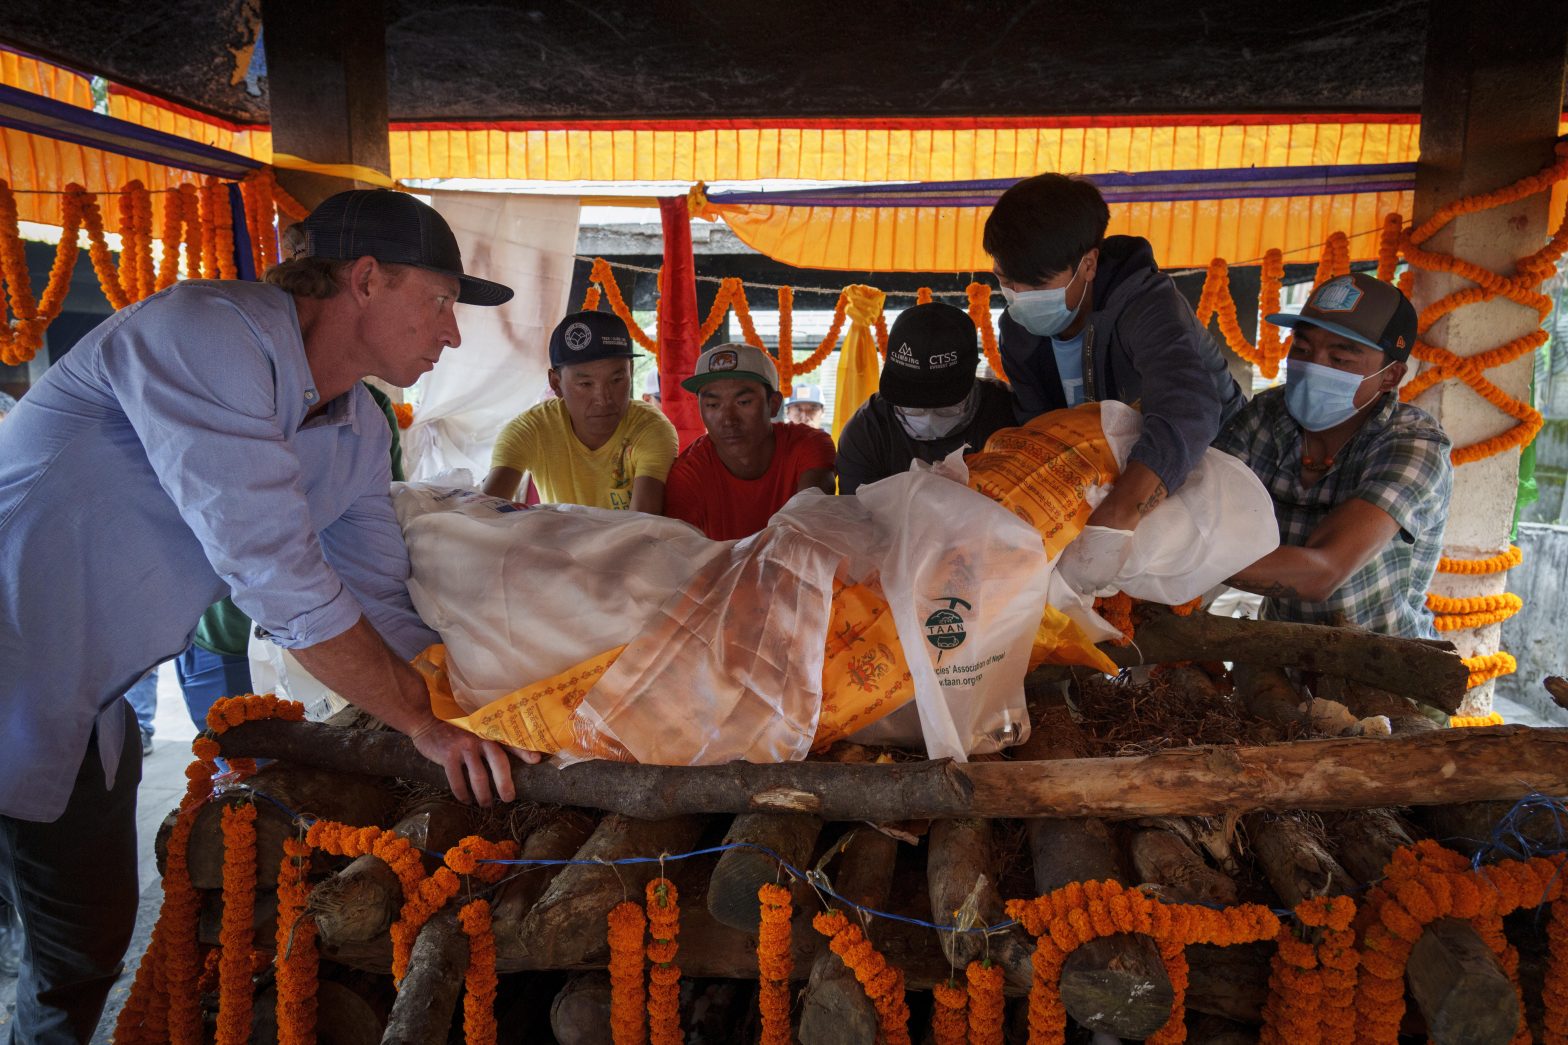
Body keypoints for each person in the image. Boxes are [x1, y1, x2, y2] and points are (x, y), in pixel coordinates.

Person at [0, 188, 527, 1044]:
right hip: (10, 657)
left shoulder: (359, 423)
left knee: (80, 957)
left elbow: (377, 598)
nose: (451, 332)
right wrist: (425, 724)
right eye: (439, 301)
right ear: (365, 278)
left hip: (85, 707)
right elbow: (281, 578)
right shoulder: (209, 334)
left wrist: (486, 702)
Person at [984, 173, 1245, 592]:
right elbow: (1041, 432)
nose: (1016, 296)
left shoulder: (1147, 304)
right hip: (1103, 487)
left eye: (1034, 284)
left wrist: (1120, 515)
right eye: (1004, 280)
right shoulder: (1018, 332)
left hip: (1207, 477)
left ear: (1088, 264)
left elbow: (1188, 408)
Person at [1214, 272, 1452, 637]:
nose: (1313, 368)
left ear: (1391, 377)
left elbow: (1321, 574)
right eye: (1303, 350)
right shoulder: (1265, 417)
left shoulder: (1413, 444)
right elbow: (1201, 506)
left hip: (1383, 666)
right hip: (1277, 654)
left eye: (1340, 359)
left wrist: (1170, 559)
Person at [481, 311, 677, 512]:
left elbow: (644, 527)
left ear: (631, 372)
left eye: (617, 380)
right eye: (585, 384)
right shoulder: (530, 430)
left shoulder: (651, 429)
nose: (603, 399)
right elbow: (483, 515)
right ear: (556, 384)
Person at [835, 303, 1017, 495]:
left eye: (946, 407)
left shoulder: (1008, 415)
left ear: (973, 378)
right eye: (911, 407)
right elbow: (855, 512)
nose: (928, 418)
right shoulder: (867, 432)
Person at [664, 343, 836, 539]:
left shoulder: (808, 446)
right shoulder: (689, 472)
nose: (728, 419)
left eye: (743, 402)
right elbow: (677, 555)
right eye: (713, 405)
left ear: (773, 404)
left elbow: (809, 532)